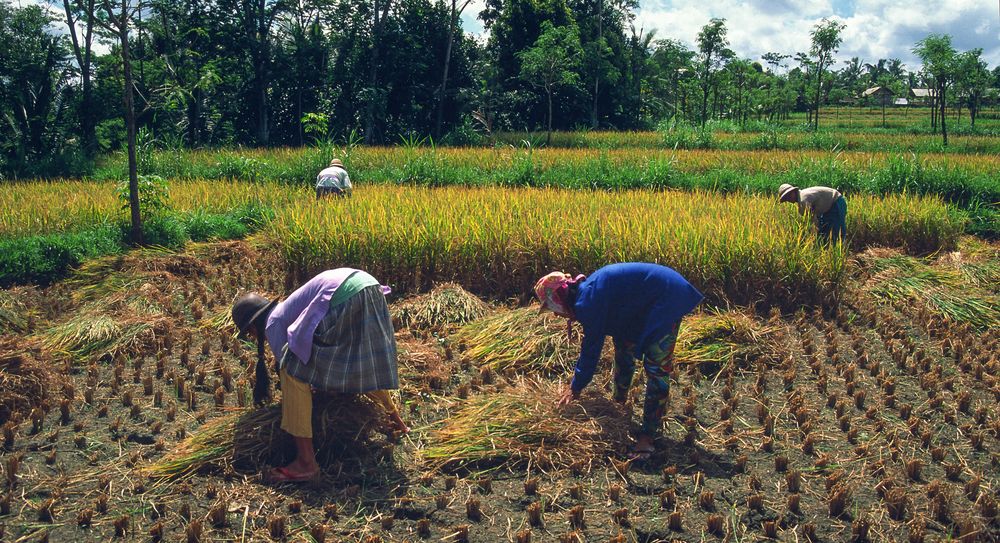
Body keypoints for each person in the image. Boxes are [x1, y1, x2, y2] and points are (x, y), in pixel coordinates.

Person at [232, 268, 408, 483]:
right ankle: (396, 421)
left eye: (249, 333)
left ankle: (306, 463)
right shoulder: (287, 309)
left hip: (343, 294)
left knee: (292, 372)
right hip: (368, 285)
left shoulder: (273, 322)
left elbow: (292, 368)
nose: (252, 337)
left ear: (252, 325)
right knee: (360, 361)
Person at [534, 263, 703, 459]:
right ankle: (619, 402)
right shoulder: (589, 293)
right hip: (641, 307)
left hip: (666, 297)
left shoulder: (588, 302)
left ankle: (647, 437)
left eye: (552, 307)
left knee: (657, 368)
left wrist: (576, 387)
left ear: (560, 299)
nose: (555, 314)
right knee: (624, 346)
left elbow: (591, 350)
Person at [778, 183, 847, 243]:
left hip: (836, 202)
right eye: (786, 198)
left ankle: (841, 250)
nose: (788, 199)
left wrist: (813, 236)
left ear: (793, 192)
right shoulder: (802, 198)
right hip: (827, 208)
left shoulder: (803, 200)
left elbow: (813, 221)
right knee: (826, 230)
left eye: (788, 196)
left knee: (836, 229)